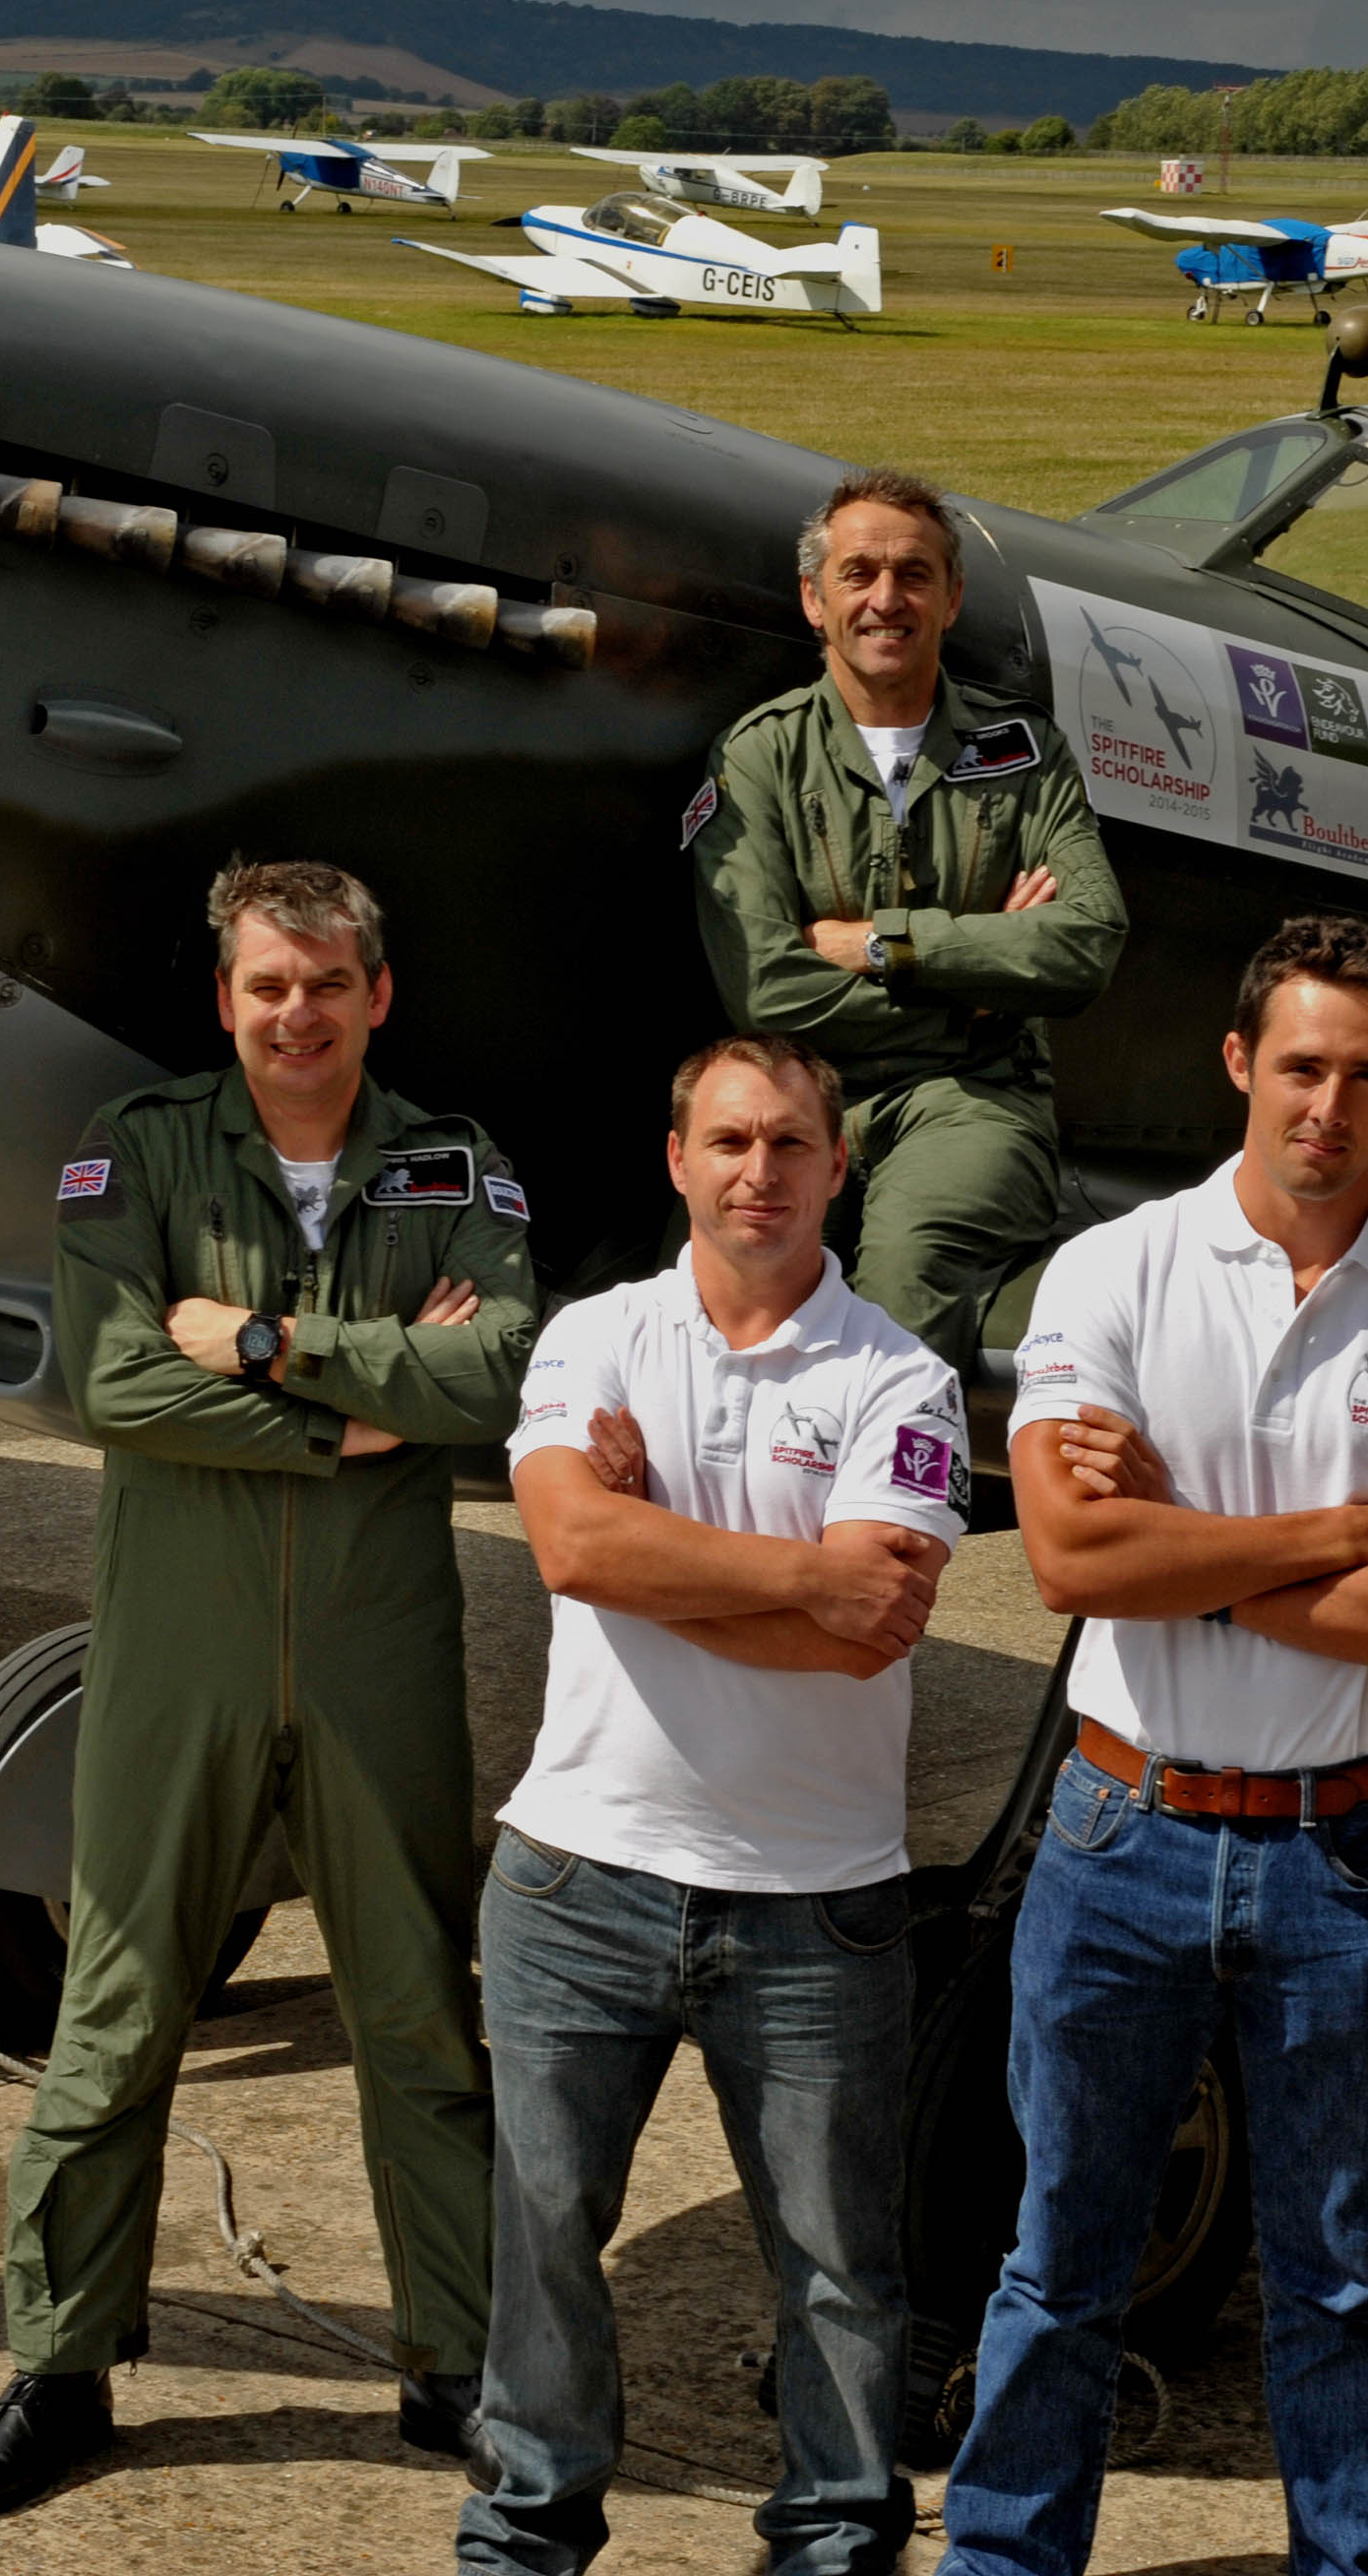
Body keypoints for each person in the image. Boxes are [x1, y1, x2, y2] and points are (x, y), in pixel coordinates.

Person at [937, 912, 1368, 2576]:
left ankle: (1350, 2563)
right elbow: (1073, 1563)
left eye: (1366, 1073)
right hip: (1116, 1838)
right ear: (1238, 1063)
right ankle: (1004, 2561)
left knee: (1338, 2270)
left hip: (1344, 1860)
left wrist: (1195, 1547)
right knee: (1057, 2257)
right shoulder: (1110, 1275)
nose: (1327, 1106)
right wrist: (1347, 1529)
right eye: (1299, 1065)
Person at [0, 858, 540, 2520]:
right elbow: (120, 1374)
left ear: (377, 995)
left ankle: (457, 2361)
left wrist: (269, 1351)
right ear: (227, 1000)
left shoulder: (452, 1162)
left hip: (377, 1651)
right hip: (177, 1652)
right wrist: (363, 1405)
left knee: (417, 2003)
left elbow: (491, 1369)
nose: (296, 1012)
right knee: (115, 2012)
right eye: (267, 985)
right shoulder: (135, 1148)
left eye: (326, 983)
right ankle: (58, 2371)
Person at [462, 1032, 969, 2576]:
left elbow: (876, 1627)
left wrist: (653, 1543)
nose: (760, 1173)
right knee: (544, 2244)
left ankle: (833, 2534)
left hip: (816, 1897)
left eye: (791, 1145)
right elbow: (569, 1554)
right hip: (576, 1881)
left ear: (837, 1166)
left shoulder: (906, 1376)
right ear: (678, 1161)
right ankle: (530, 2528)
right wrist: (803, 1572)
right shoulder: (596, 1337)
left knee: (835, 2269)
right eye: (729, 1143)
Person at [689, 467, 1130, 1373]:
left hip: (977, 1103)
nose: (887, 599)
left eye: (914, 575)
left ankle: (889, 1507)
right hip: (805, 1096)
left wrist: (886, 944)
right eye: (859, 575)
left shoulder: (1023, 752)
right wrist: (979, 988)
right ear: (814, 600)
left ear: (953, 597)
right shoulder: (762, 754)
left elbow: (1086, 941)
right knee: (710, 1285)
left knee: (905, 1267)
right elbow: (766, 986)